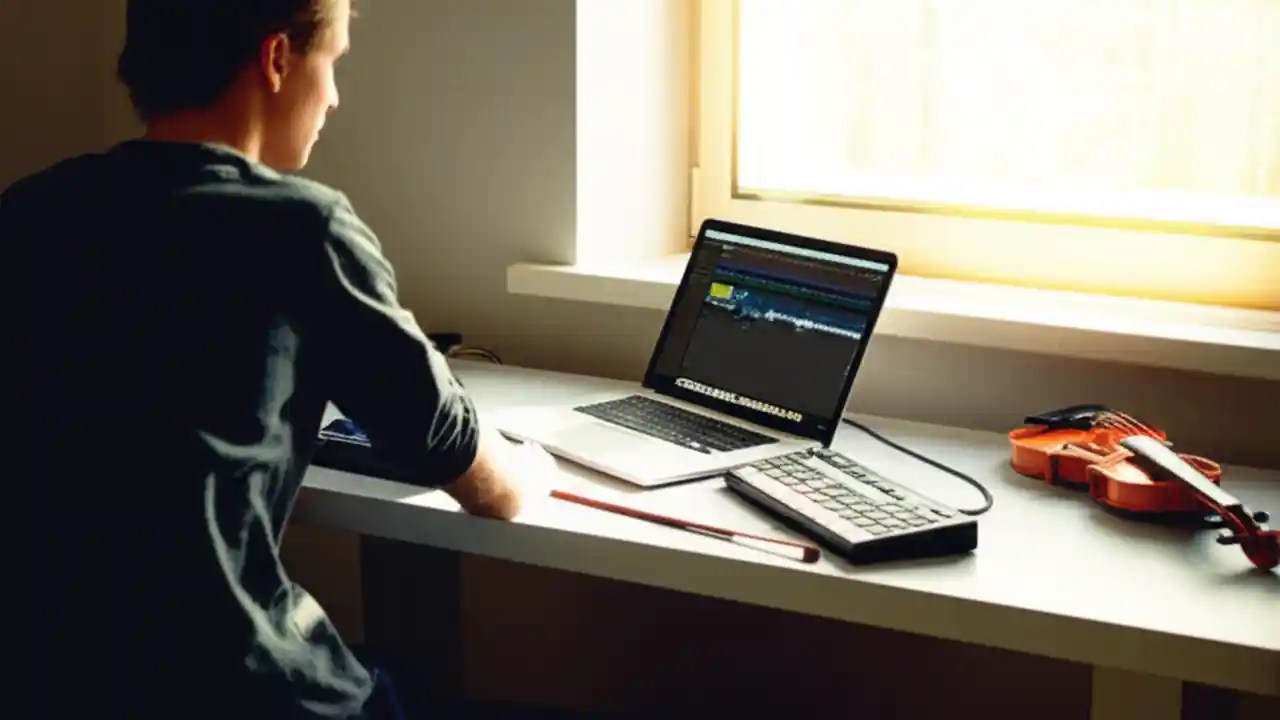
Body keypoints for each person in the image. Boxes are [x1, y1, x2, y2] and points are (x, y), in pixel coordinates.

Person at [4, 0, 548, 717]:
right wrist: (529, 467)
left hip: (51, 680)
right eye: (333, 63)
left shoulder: (31, 212)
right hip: (231, 685)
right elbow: (468, 469)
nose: (335, 97)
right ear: (277, 59)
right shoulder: (302, 230)